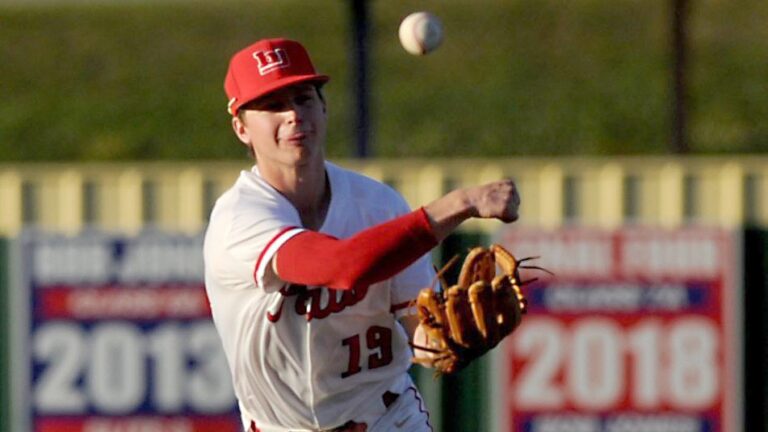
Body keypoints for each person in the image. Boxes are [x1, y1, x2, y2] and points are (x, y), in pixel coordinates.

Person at [203, 38, 521, 432]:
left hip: (387, 418)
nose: (292, 115)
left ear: (324, 107)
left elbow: (417, 330)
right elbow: (343, 265)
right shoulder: (240, 216)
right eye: (272, 105)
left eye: (303, 98)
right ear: (241, 128)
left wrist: (449, 345)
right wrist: (461, 202)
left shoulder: (378, 204)